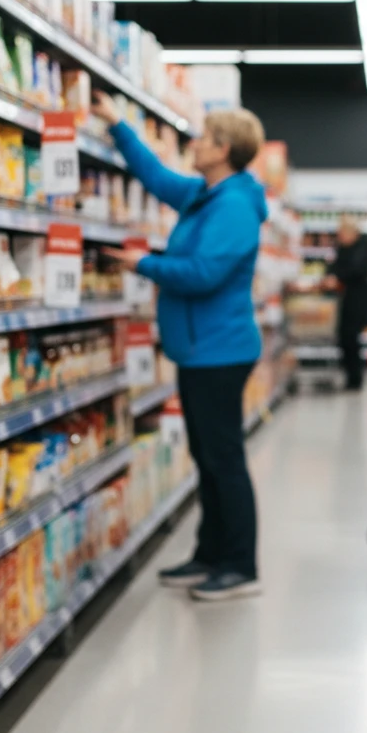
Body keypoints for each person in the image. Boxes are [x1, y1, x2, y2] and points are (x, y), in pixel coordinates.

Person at [92, 90, 267, 602]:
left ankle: (240, 564)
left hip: (220, 350)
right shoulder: (206, 194)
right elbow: (156, 178)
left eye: (205, 137)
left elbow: (204, 274)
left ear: (224, 150)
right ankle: (211, 554)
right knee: (207, 457)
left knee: (223, 458)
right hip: (198, 349)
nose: (195, 142)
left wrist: (141, 263)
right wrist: (119, 125)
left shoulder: (233, 205)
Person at [325, 214, 367, 390]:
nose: (339, 236)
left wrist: (338, 277)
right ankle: (349, 375)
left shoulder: (362, 247)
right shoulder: (341, 248)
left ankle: (355, 378)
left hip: (357, 302)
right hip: (343, 303)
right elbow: (333, 266)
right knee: (345, 339)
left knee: (352, 340)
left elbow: (356, 270)